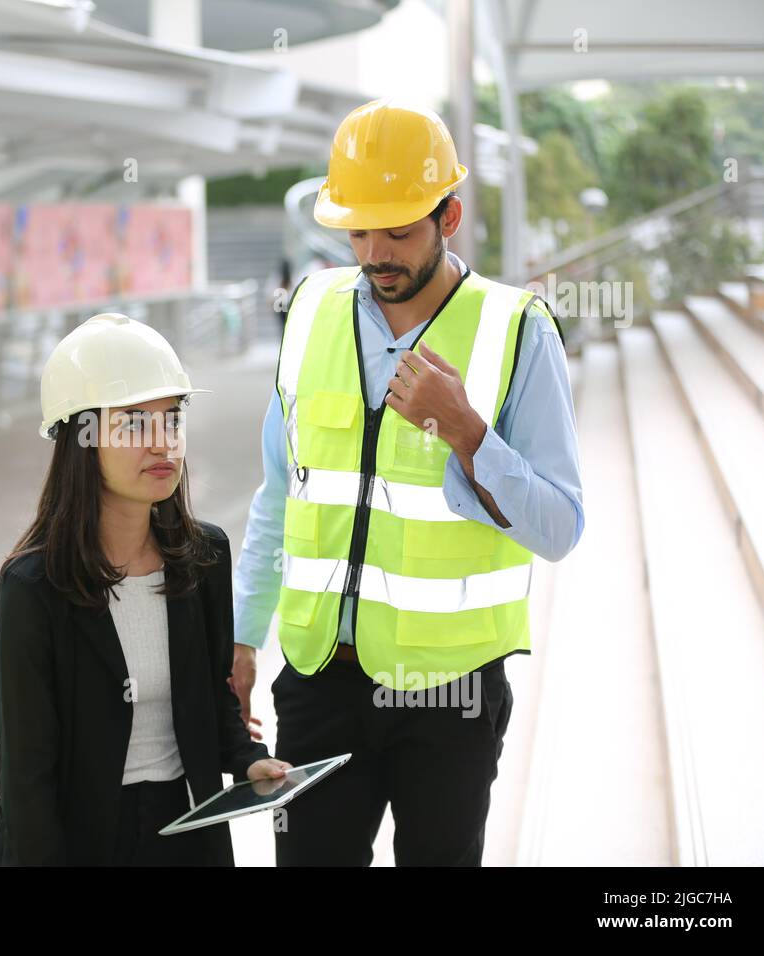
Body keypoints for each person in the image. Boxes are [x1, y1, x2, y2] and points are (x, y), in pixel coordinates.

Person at [230, 99, 584, 866]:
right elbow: (280, 494)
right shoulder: (311, 311)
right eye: (358, 230)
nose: (375, 251)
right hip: (321, 681)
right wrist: (241, 635)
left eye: (398, 230)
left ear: (448, 215)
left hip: (448, 695)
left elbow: (560, 527)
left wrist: (469, 433)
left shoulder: (516, 329)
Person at [0, 312, 291, 866]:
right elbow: (27, 779)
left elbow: (213, 700)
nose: (163, 444)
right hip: (75, 843)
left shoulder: (204, 557)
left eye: (172, 419)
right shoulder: (33, 588)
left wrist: (248, 758)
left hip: (185, 830)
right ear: (82, 437)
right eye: (133, 424)